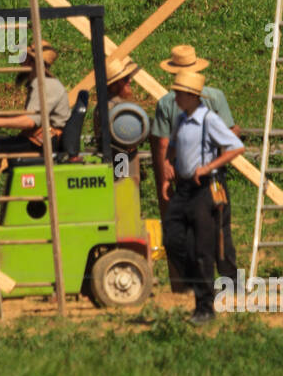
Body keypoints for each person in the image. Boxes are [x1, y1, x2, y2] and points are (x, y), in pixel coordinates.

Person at [149, 44, 244, 280]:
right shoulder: (216, 96)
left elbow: (163, 144)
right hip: (213, 179)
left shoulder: (166, 104)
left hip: (187, 177)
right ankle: (228, 281)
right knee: (220, 230)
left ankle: (195, 283)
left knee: (191, 231)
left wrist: (165, 176)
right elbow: (232, 135)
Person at [160, 70, 245, 324]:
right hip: (184, 187)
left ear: (190, 96)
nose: (175, 98)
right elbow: (174, 145)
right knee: (173, 236)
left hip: (204, 187)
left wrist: (208, 167)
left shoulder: (208, 119)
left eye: (178, 94)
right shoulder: (182, 120)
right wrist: (168, 166)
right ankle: (196, 285)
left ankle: (205, 305)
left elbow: (236, 146)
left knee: (203, 246)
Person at [0, 41, 70, 158]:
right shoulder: (38, 83)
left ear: (33, 62)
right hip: (35, 138)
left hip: (43, 142)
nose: (21, 62)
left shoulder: (46, 86)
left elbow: (29, 121)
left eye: (25, 57)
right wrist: (0, 116)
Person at [100, 55, 143, 187]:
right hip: (120, 158)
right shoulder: (114, 108)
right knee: (123, 189)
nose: (129, 81)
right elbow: (125, 139)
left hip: (120, 157)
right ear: (113, 85)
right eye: (124, 79)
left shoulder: (110, 104)